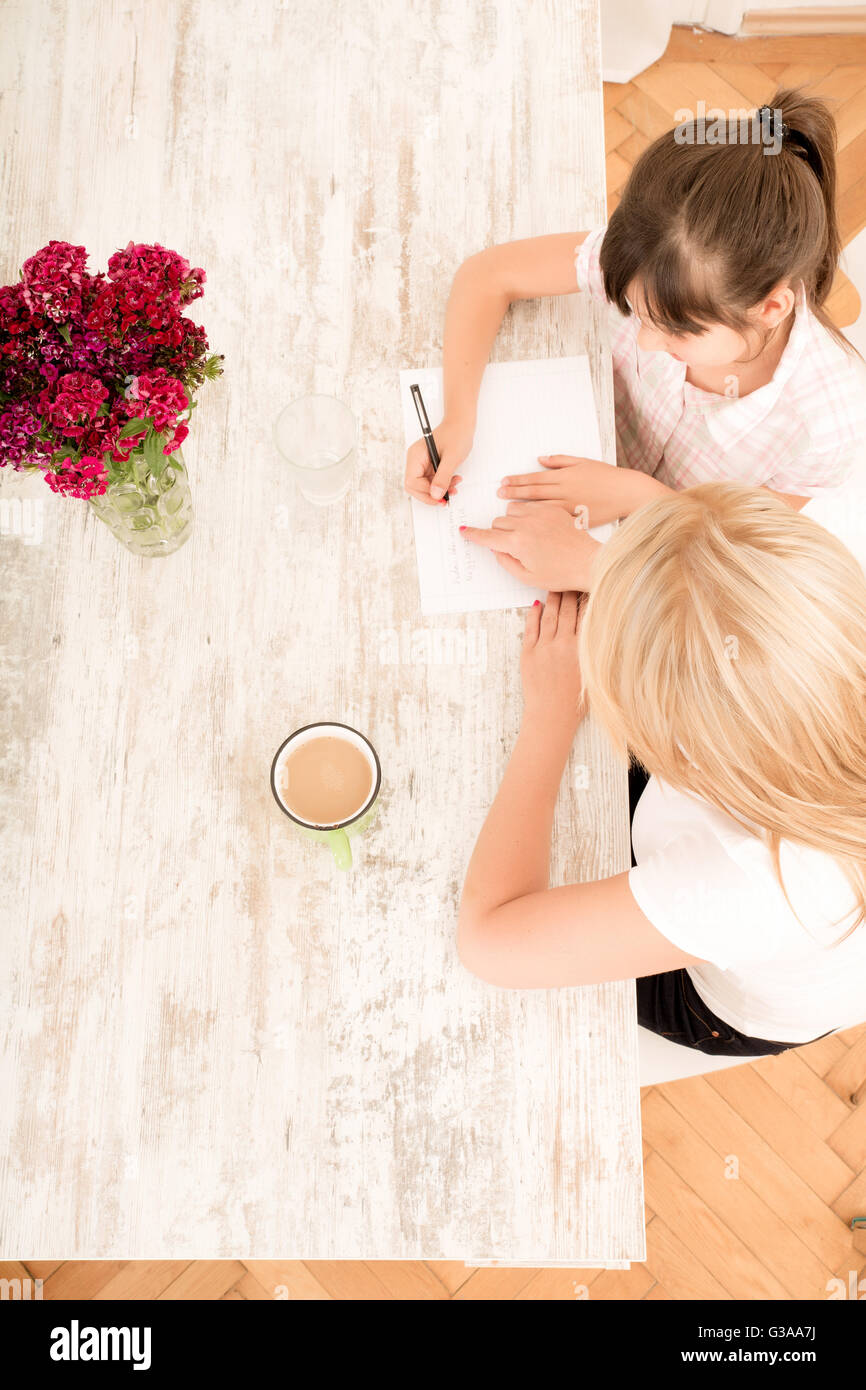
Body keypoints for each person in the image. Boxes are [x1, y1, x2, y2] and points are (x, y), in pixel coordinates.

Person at [457, 482, 866, 1055]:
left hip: (715, 1001)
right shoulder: (829, 643)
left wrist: (548, 718)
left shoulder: (748, 883)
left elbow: (488, 940)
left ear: (680, 740)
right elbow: (748, 617)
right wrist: (614, 572)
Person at [405, 89, 866, 592]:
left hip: (657, 566)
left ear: (771, 308)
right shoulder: (655, 263)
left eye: (673, 331)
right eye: (633, 313)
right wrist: (459, 415)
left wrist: (637, 497)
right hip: (573, 441)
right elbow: (487, 275)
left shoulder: (828, 425)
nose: (645, 343)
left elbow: (741, 553)